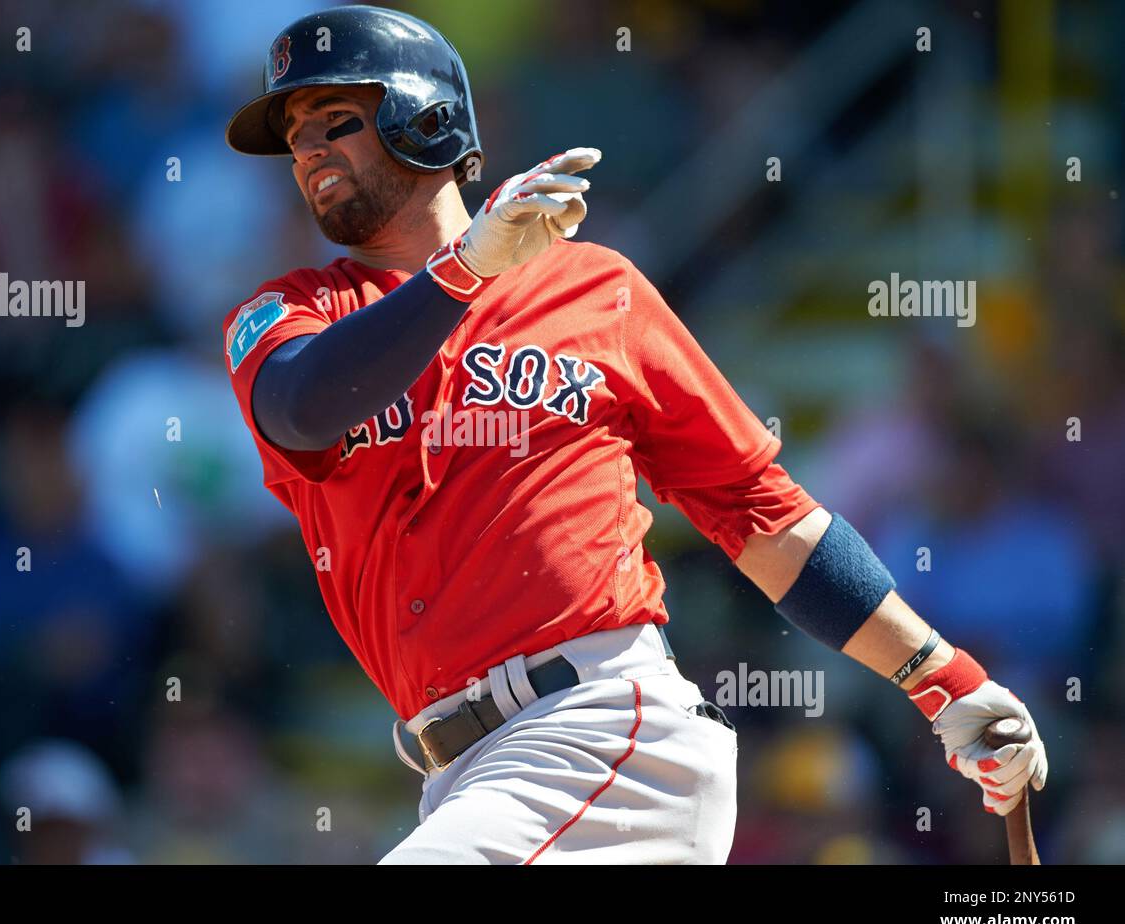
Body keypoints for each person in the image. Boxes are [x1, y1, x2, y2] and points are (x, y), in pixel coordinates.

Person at [221, 5, 1047, 864]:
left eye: (335, 120)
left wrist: (944, 678)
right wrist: (462, 272)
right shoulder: (286, 316)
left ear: (424, 121)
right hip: (466, 775)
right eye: (295, 135)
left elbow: (763, 514)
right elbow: (304, 408)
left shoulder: (595, 289)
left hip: (603, 729)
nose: (308, 149)